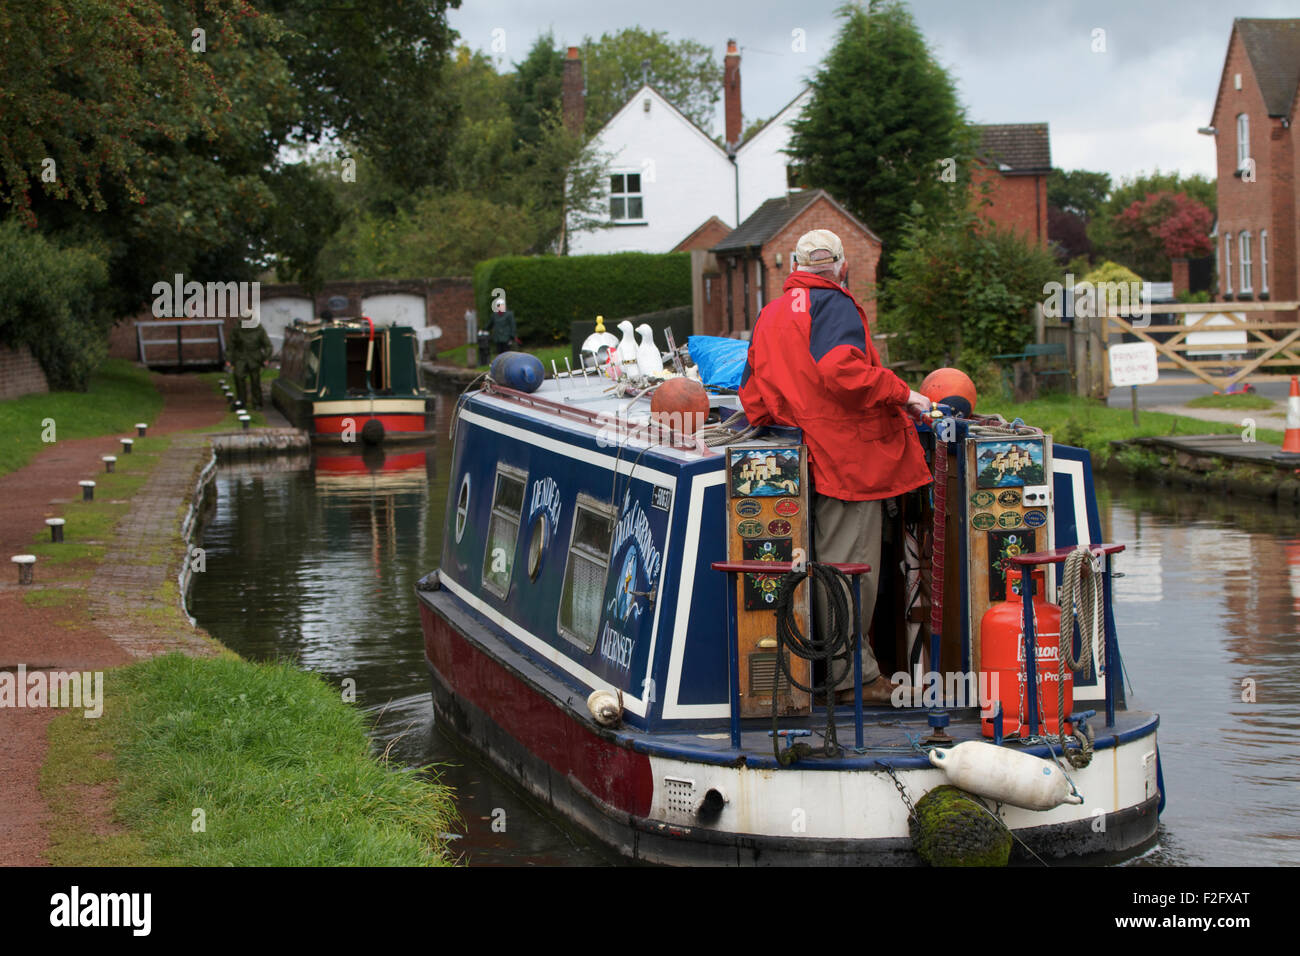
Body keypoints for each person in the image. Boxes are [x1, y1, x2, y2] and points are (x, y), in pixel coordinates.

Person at [739, 229, 933, 704]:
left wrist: (784, 430)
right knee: (850, 571)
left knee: (816, 566)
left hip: (799, 456)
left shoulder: (770, 314)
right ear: (843, 267)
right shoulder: (836, 305)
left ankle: (822, 671)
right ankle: (854, 680)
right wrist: (904, 393)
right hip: (850, 460)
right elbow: (841, 370)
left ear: (793, 269)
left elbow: (753, 394)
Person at [228, 309, 273, 409]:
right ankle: (241, 401)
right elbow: (231, 345)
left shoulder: (259, 329)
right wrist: (229, 359)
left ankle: (257, 403)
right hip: (240, 356)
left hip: (254, 357)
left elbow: (267, 345)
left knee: (255, 381)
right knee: (238, 377)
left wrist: (266, 357)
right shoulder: (237, 329)